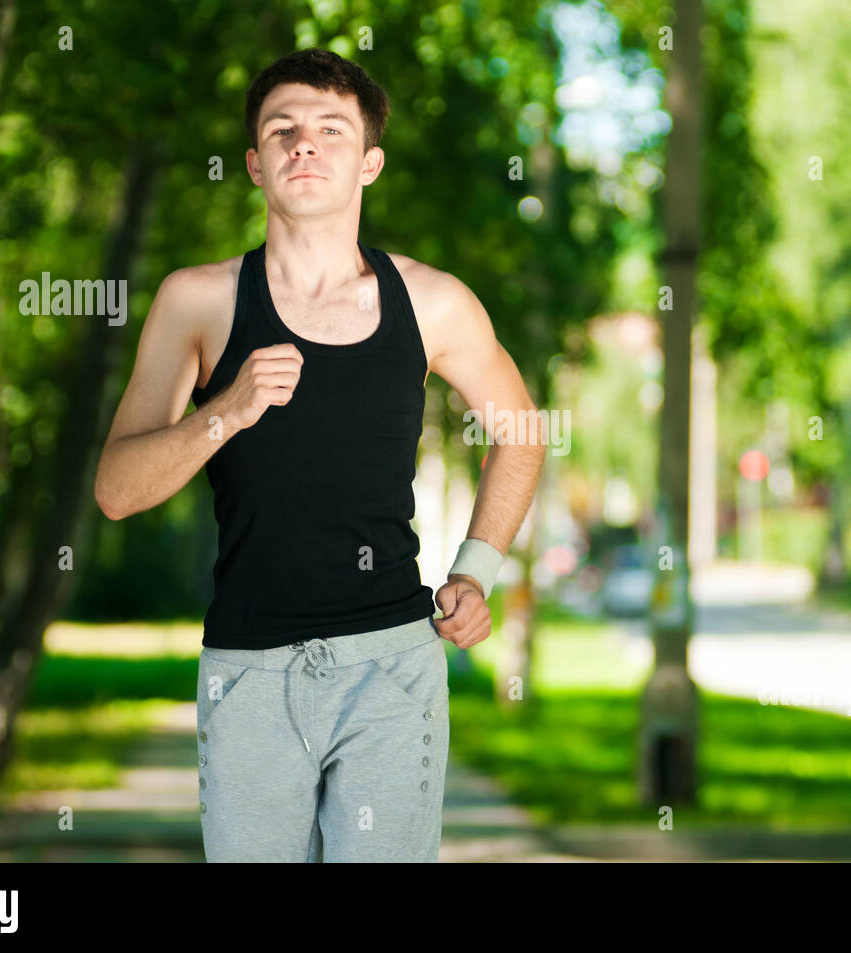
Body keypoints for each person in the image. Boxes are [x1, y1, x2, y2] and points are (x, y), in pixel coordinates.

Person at [93, 48, 546, 861]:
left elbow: (520, 429)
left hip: (393, 664)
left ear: (369, 162)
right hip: (248, 670)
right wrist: (223, 413)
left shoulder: (433, 301)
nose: (306, 144)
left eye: (332, 129)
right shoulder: (196, 301)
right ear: (255, 167)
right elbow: (117, 490)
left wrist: (476, 569)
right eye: (284, 129)